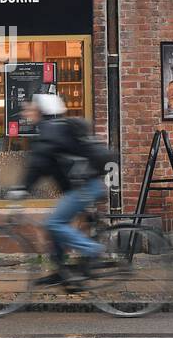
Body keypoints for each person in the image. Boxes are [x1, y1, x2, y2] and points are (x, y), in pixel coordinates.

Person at [7, 93, 116, 286]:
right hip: (84, 187)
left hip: (85, 188)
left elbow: (37, 164)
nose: (28, 112)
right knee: (54, 222)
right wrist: (25, 187)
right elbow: (43, 165)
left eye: (32, 108)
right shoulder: (56, 130)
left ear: (41, 111)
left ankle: (93, 250)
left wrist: (21, 189)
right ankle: (61, 270)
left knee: (53, 223)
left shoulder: (50, 132)